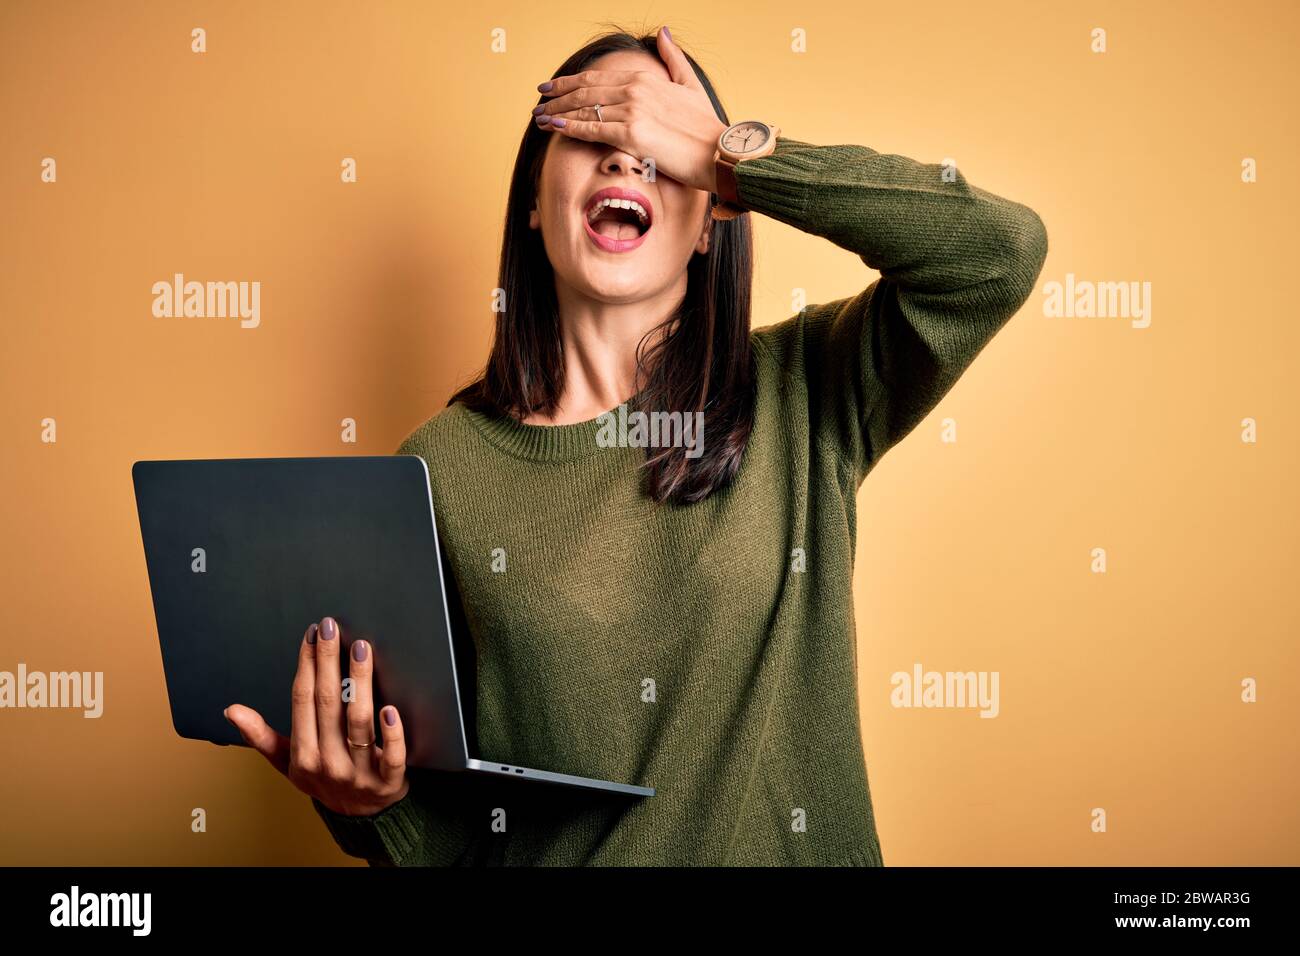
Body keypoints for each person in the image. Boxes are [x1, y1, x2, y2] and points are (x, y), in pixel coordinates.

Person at [224, 24, 1048, 866]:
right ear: (535, 205)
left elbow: (999, 252)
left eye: (656, 139)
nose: (626, 157)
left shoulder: (808, 387)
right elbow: (468, 830)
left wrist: (737, 155)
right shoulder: (439, 469)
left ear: (707, 222)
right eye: (594, 131)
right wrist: (374, 805)